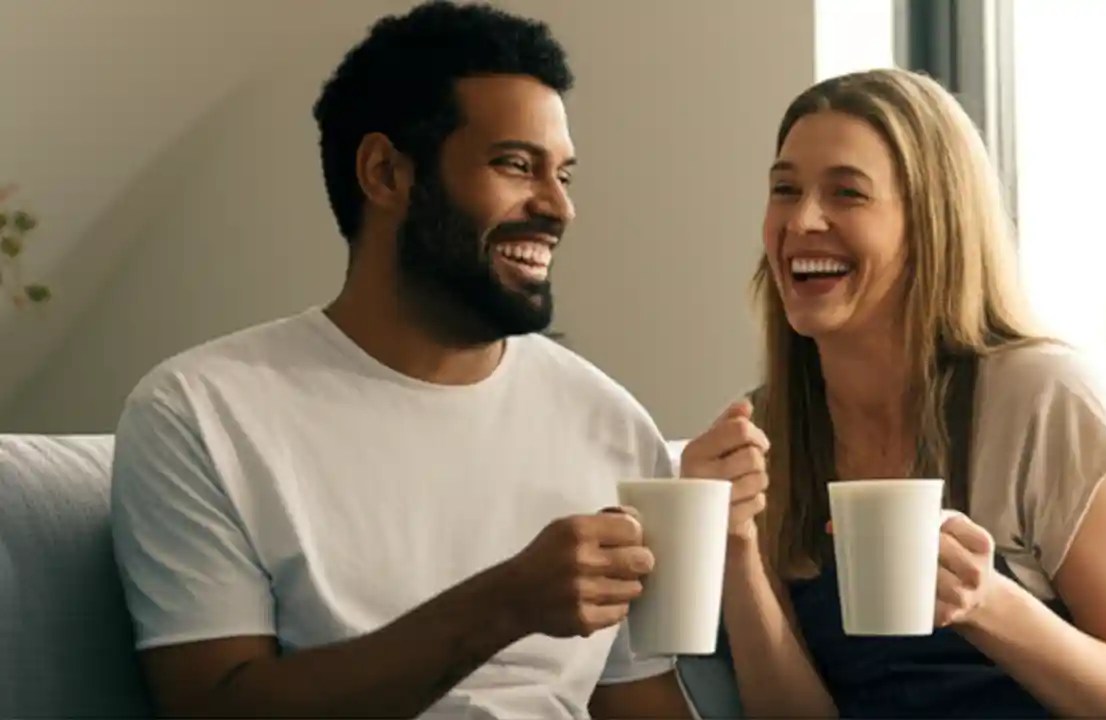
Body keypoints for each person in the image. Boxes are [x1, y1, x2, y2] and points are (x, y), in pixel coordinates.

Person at [109, 2, 692, 718]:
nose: (558, 207)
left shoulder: (611, 422)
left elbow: (641, 705)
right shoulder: (199, 413)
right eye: (516, 164)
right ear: (386, 173)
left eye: (564, 174)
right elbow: (212, 708)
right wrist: (504, 603)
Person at [680, 68, 1106, 718]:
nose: (801, 221)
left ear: (934, 222)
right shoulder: (765, 428)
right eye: (784, 190)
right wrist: (736, 549)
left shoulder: (1046, 400)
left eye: (847, 193)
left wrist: (984, 602)